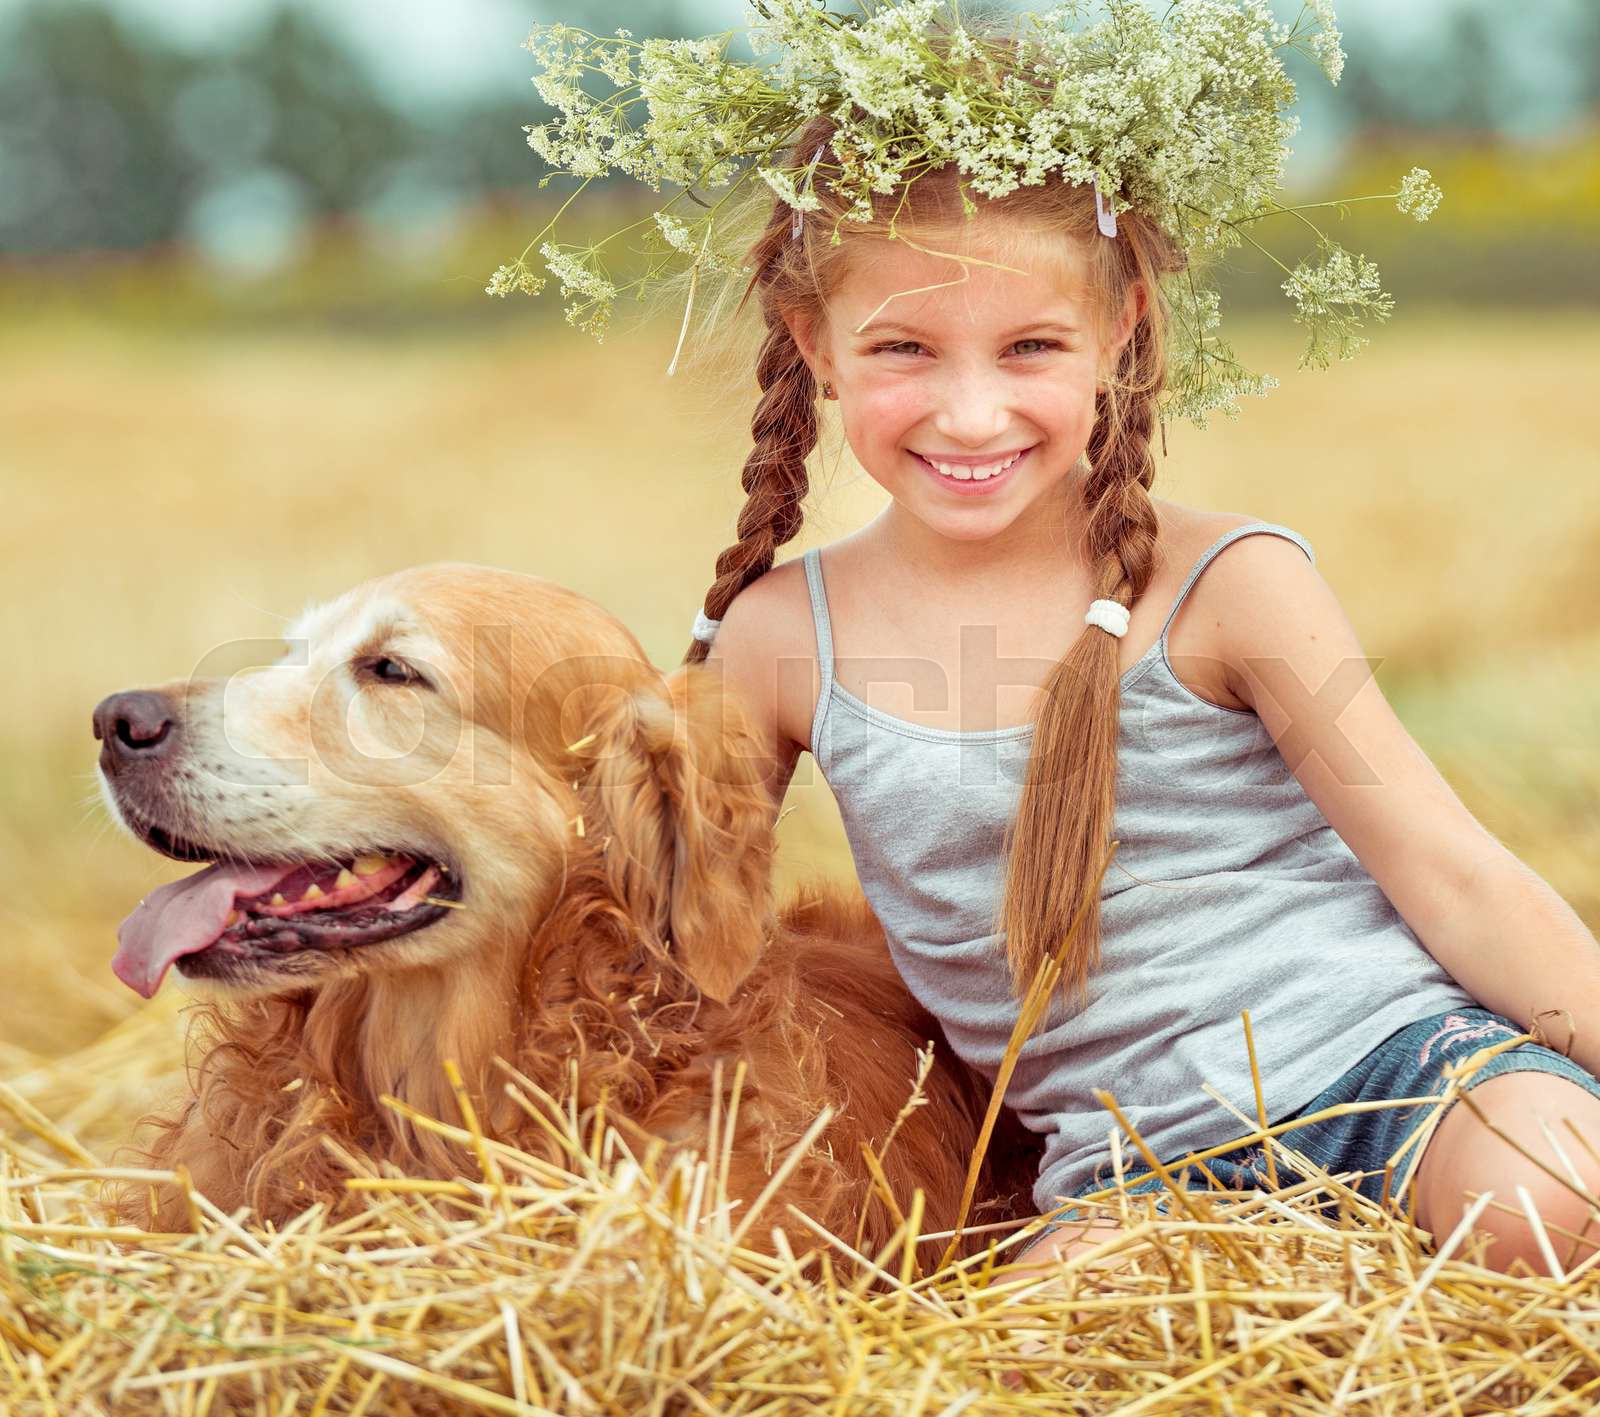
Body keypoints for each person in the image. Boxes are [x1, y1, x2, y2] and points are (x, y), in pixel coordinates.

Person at [506, 2, 1600, 1282]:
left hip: (1397, 1070)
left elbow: (1454, 874)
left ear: (1120, 329)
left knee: (1550, 1201)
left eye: (1029, 347)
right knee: (1024, 1350)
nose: (971, 414)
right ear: (817, 348)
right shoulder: (779, 639)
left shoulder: (1229, 583)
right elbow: (660, 925)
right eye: (904, 349)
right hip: (1132, 1172)